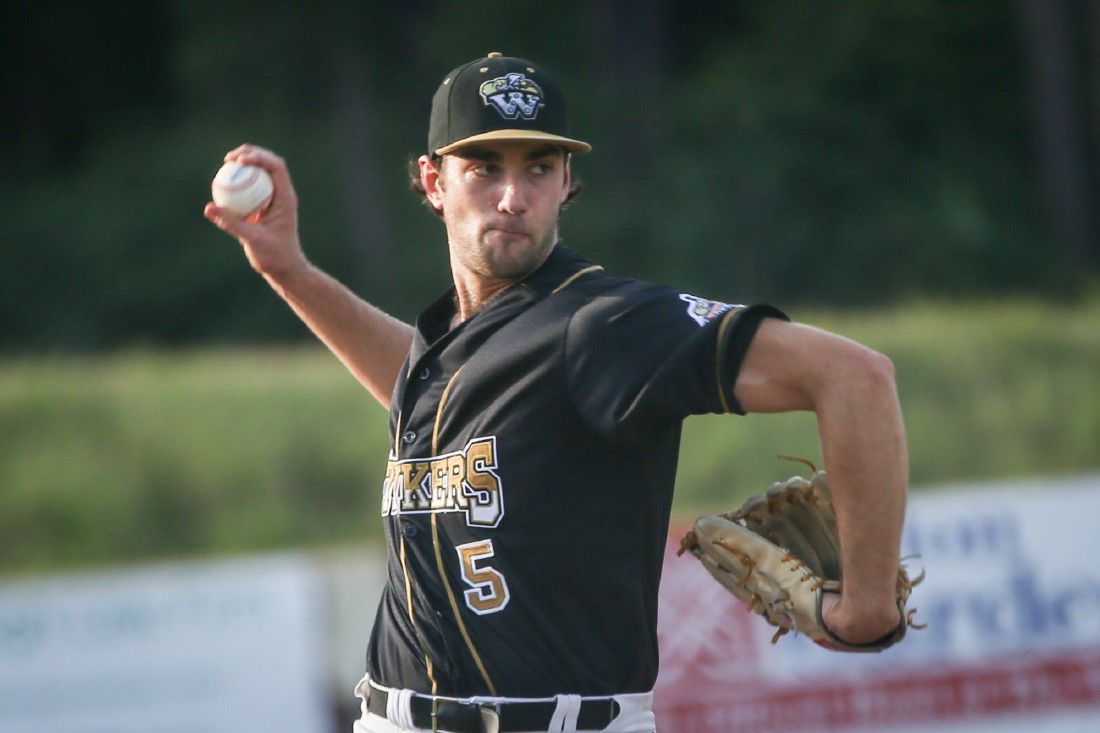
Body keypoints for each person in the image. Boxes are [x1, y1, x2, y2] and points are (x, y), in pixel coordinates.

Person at [204, 52, 908, 733]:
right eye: (483, 167)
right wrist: (288, 270)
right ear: (432, 181)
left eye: (538, 168)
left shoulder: (602, 325)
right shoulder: (454, 340)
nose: (513, 197)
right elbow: (431, 393)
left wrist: (867, 609)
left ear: (568, 181)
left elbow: (855, 377)